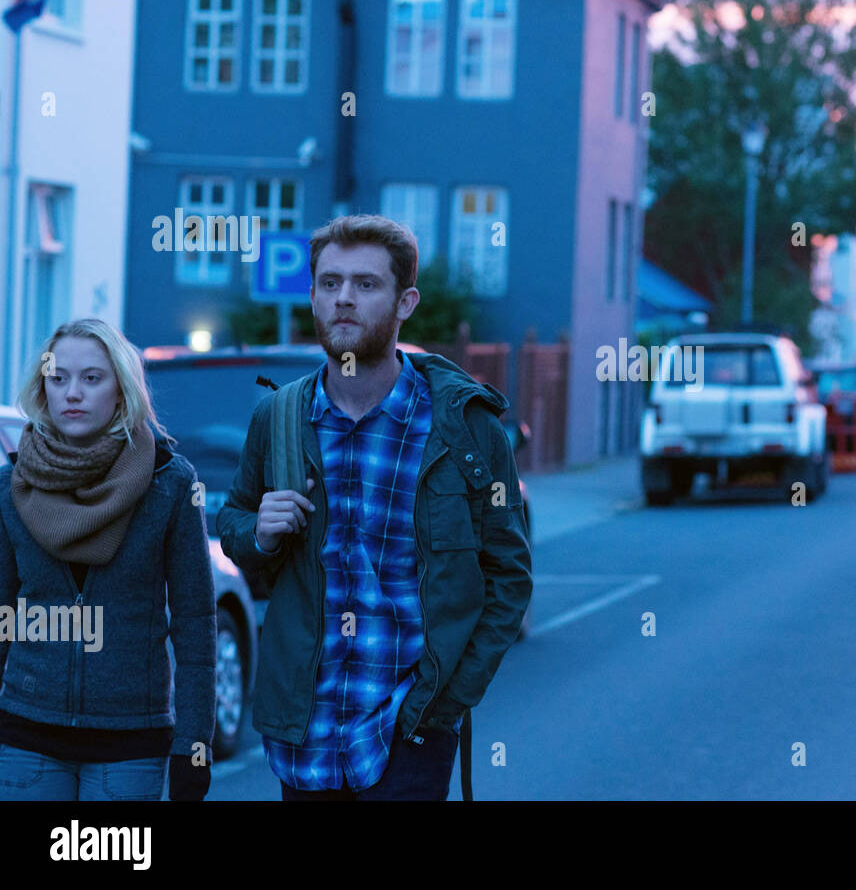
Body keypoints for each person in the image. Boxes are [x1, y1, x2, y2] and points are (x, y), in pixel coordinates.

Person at [216, 214, 532, 800]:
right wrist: (257, 531)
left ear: (405, 301)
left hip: (407, 728)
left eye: (365, 285)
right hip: (303, 731)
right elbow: (233, 524)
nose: (343, 299)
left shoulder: (465, 427)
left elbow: (509, 575)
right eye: (330, 283)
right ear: (310, 294)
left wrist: (447, 701)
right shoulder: (279, 417)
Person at [0, 319, 215, 800]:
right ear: (44, 388)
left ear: (121, 390)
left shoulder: (170, 482)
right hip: (25, 736)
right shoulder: (9, 485)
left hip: (130, 744)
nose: (73, 393)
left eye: (92, 378)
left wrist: (194, 743)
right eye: (59, 378)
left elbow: (196, 622)